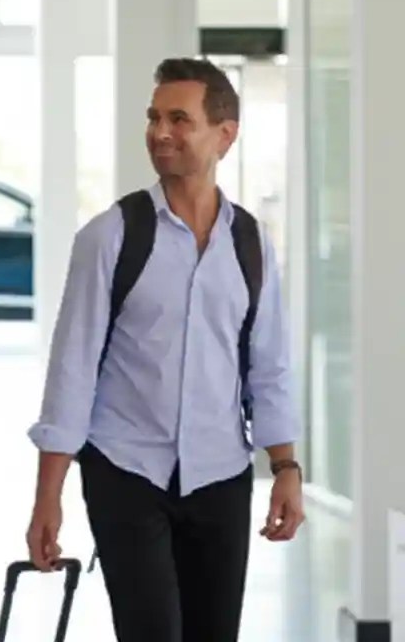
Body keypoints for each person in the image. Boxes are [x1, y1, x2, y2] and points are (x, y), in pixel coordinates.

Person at [25, 57, 304, 642]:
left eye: (180, 119)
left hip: (222, 474)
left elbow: (269, 366)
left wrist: (285, 468)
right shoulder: (110, 236)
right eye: (154, 117)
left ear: (224, 135)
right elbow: (72, 370)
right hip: (126, 470)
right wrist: (47, 499)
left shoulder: (251, 243)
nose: (160, 132)